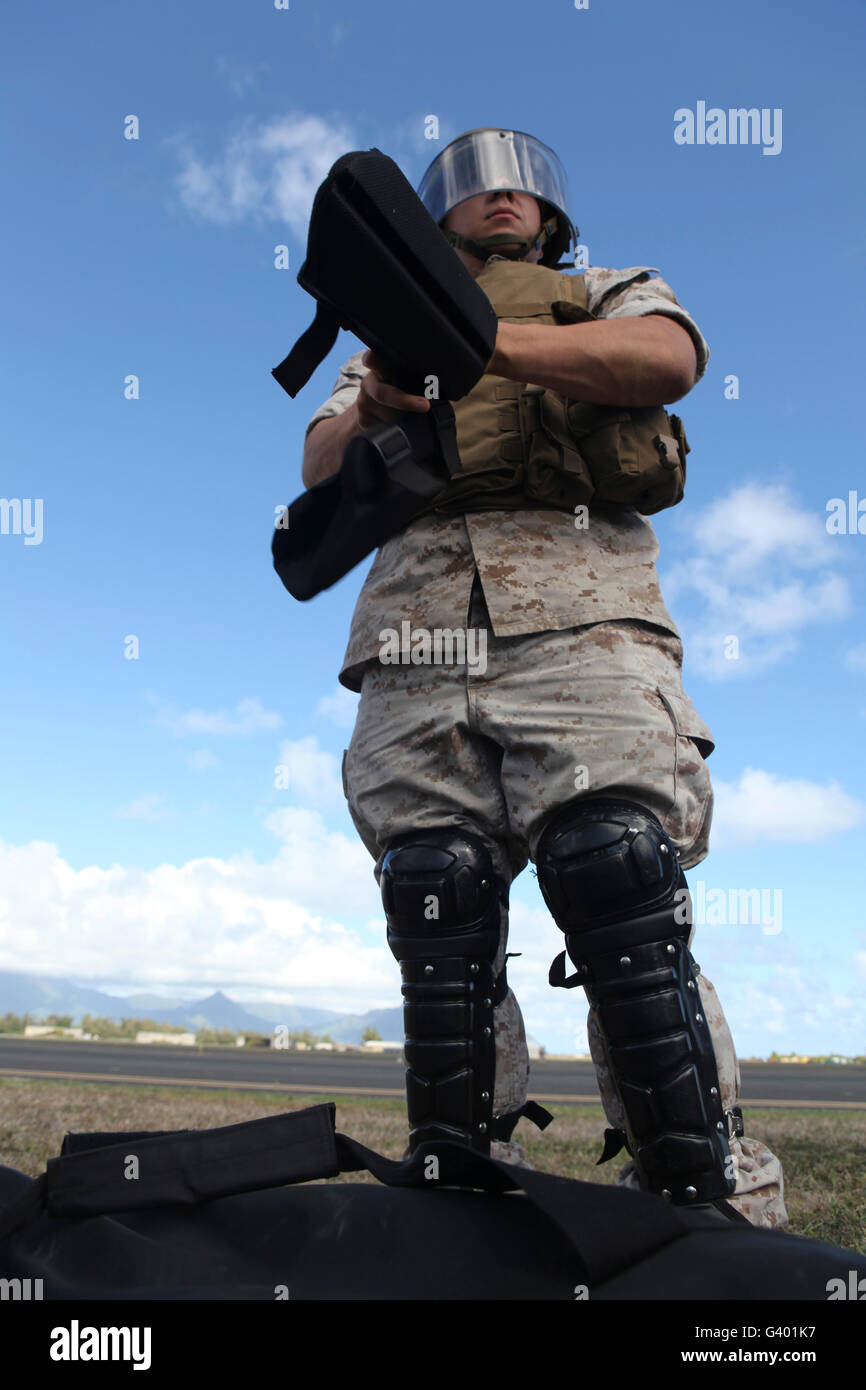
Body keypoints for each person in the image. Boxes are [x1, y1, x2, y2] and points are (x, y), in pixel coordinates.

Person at [302, 128, 786, 1228]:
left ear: (552, 208)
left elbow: (667, 361)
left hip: (583, 619)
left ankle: (705, 1216)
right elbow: (319, 462)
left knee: (617, 875)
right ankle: (456, 1209)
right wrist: (380, 400)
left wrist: (481, 348)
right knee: (436, 894)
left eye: (519, 179)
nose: (499, 195)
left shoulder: (601, 287)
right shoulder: (378, 335)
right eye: (469, 186)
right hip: (416, 632)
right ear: (433, 219)